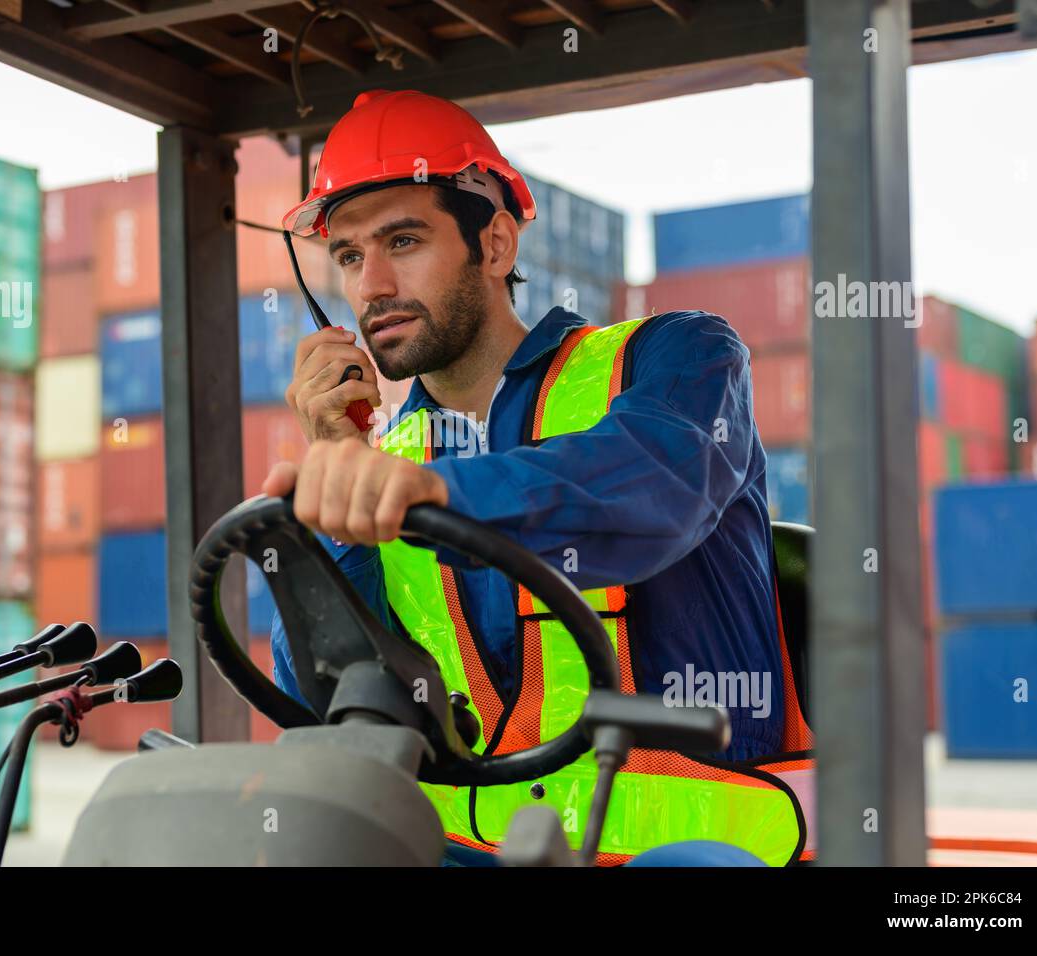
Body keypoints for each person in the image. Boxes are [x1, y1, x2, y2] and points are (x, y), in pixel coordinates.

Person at [262, 89, 813, 867]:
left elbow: (652, 486)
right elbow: (332, 700)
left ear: (494, 245)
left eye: (403, 241)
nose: (370, 286)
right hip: (470, 849)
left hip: (685, 848)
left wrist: (442, 496)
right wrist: (330, 464)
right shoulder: (384, 455)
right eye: (349, 257)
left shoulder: (677, 359)